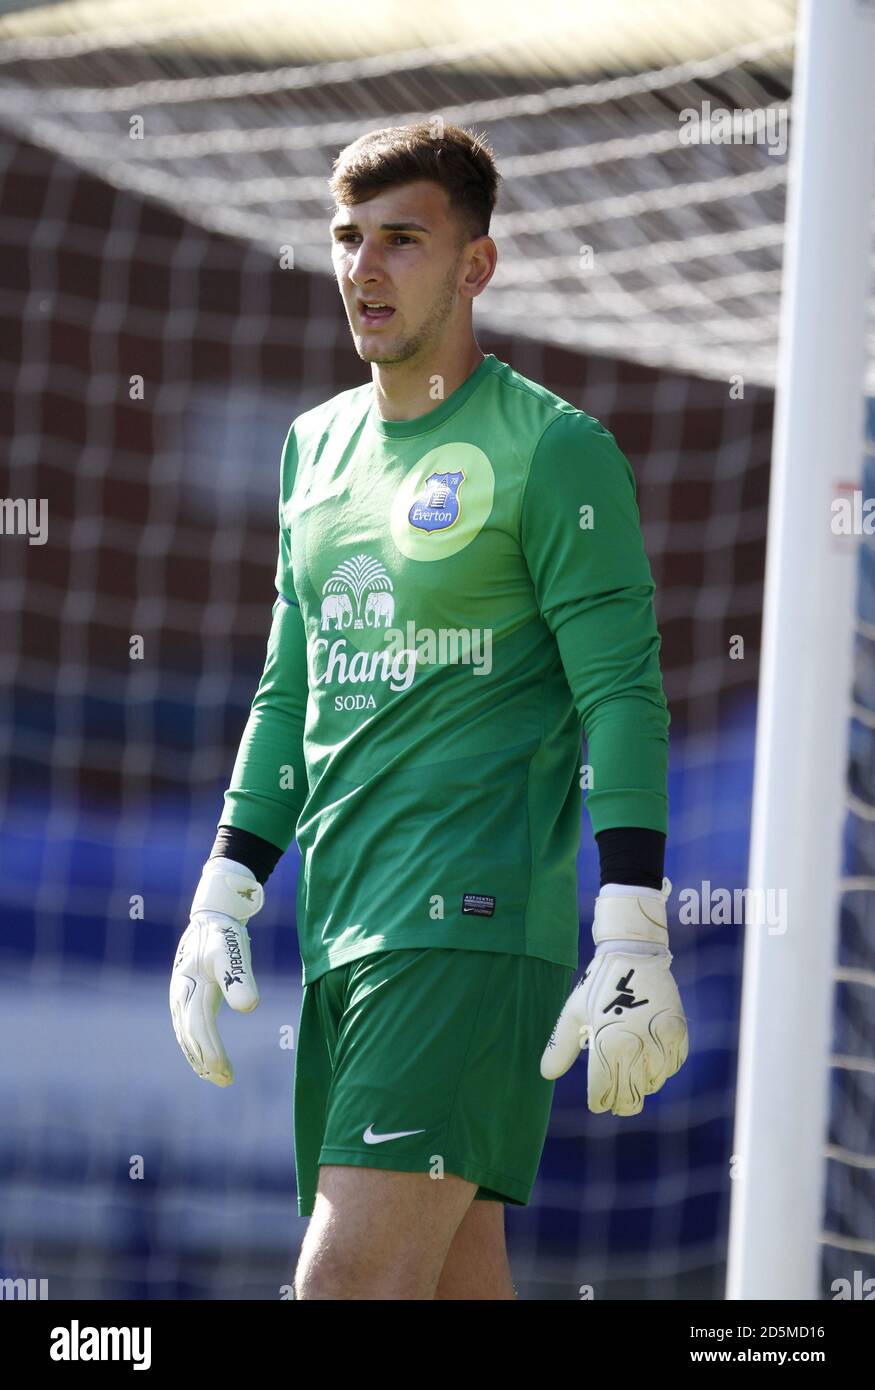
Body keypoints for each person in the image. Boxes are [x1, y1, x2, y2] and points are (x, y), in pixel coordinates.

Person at [169, 122, 688, 1301]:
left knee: (341, 1286)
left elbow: (621, 695)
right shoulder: (312, 449)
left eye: (401, 240)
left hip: (465, 927)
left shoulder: (555, 451)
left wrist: (630, 926)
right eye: (347, 238)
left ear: (474, 266)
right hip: (344, 933)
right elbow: (288, 687)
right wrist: (223, 891)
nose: (363, 268)